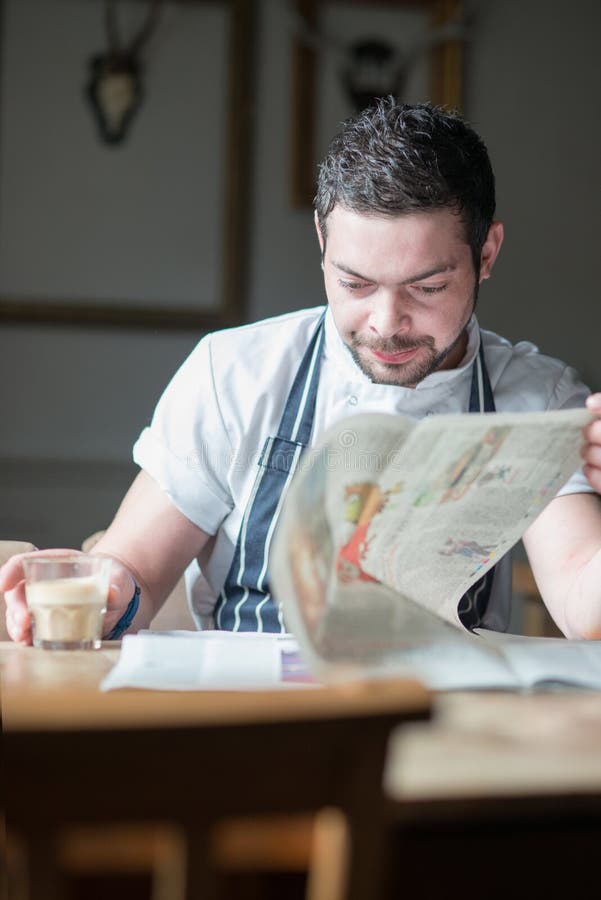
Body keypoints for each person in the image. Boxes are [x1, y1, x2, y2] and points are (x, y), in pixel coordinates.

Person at [3, 99, 601, 640]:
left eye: (428, 286)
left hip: (444, 727)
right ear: (321, 238)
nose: (386, 323)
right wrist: (104, 589)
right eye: (355, 283)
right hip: (256, 720)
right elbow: (134, 566)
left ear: (487, 253)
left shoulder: (539, 398)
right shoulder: (234, 373)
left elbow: (583, 604)